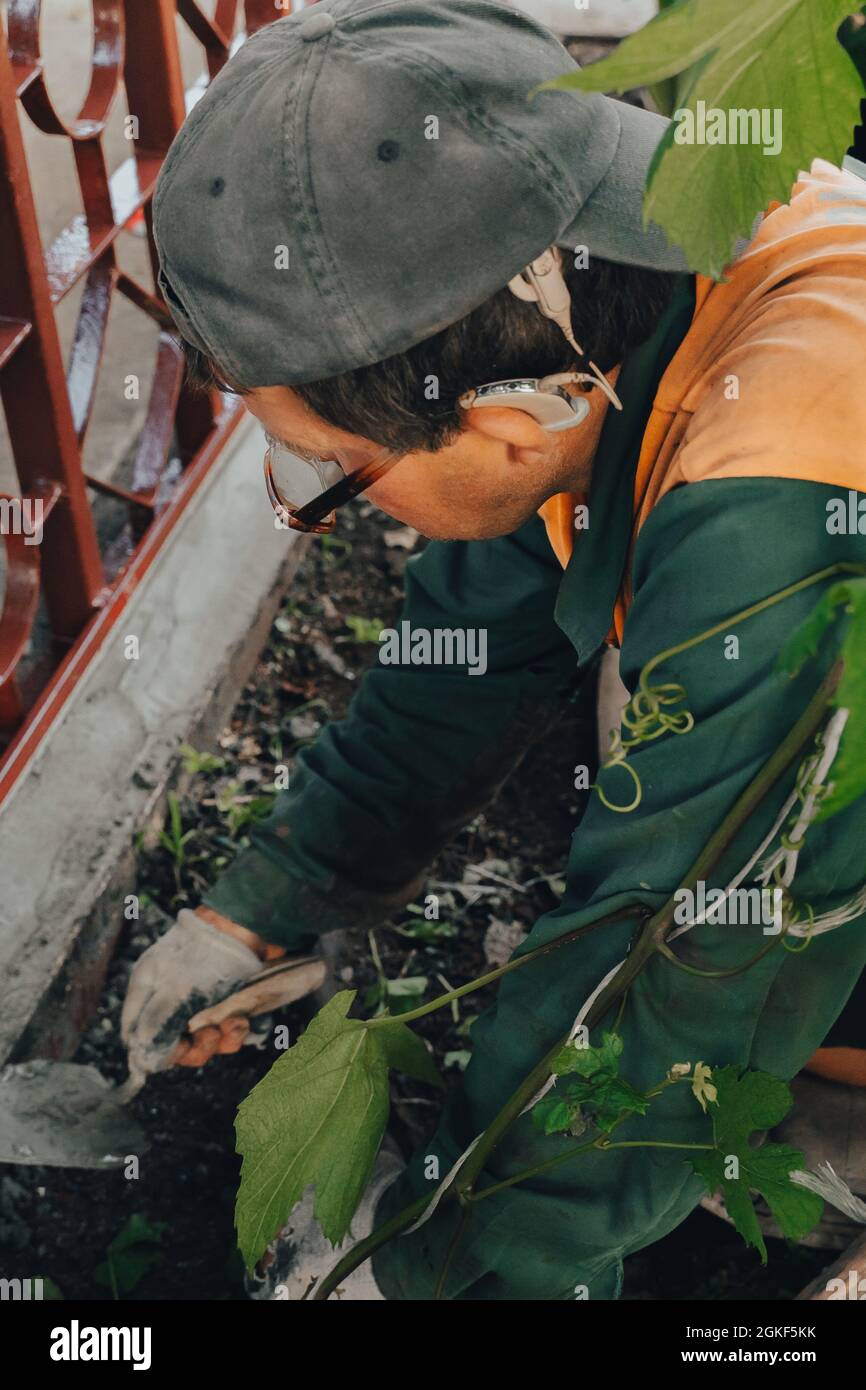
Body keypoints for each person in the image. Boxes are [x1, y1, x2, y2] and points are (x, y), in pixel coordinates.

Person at [123, 0, 866, 1299]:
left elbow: (674, 972)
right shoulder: (630, 277)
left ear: (513, 420)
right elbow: (481, 631)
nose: (302, 495)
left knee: (765, 988)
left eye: (323, 466)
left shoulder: (784, 505)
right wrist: (270, 905)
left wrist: (426, 1264)